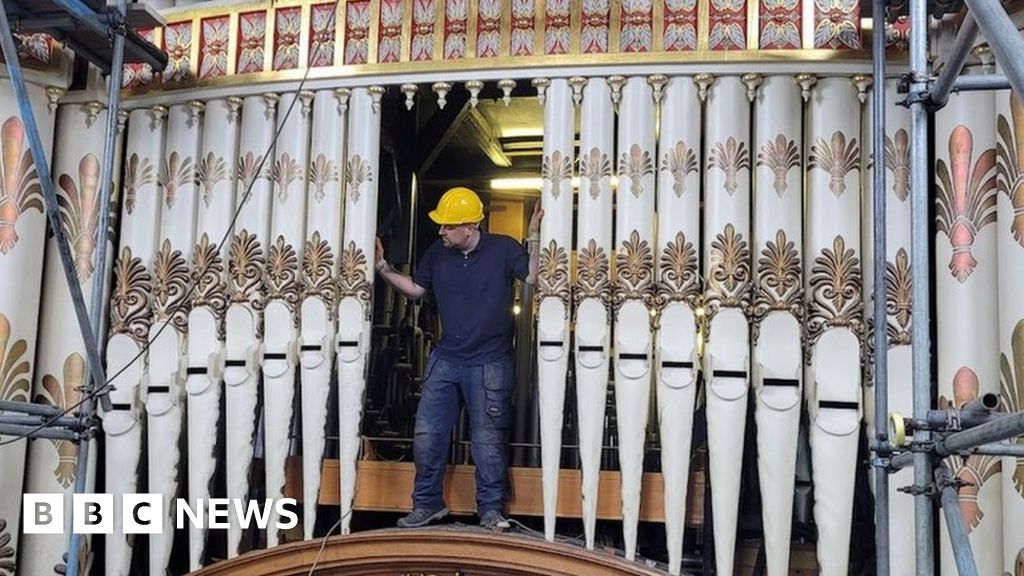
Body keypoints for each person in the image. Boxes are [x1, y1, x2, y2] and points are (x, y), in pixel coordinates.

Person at [374, 186, 542, 530]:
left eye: (448, 226)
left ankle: (491, 510)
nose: (441, 231)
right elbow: (416, 290)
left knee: (487, 441)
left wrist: (535, 236)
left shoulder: (503, 248)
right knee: (427, 435)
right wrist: (381, 267)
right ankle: (427, 504)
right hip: (446, 357)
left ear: (470, 226)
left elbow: (533, 276)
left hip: (490, 361)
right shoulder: (437, 253)